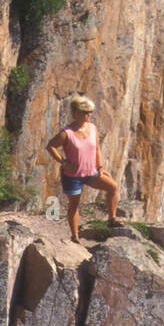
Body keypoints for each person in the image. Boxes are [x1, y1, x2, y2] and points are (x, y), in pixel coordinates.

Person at [46, 93, 120, 243]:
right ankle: (75, 236)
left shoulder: (92, 128)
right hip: (72, 176)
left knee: (113, 187)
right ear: (75, 113)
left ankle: (112, 219)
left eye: (90, 112)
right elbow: (51, 146)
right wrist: (63, 162)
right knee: (74, 205)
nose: (88, 115)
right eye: (85, 112)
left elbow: (97, 148)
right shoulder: (67, 133)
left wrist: (100, 167)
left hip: (91, 172)